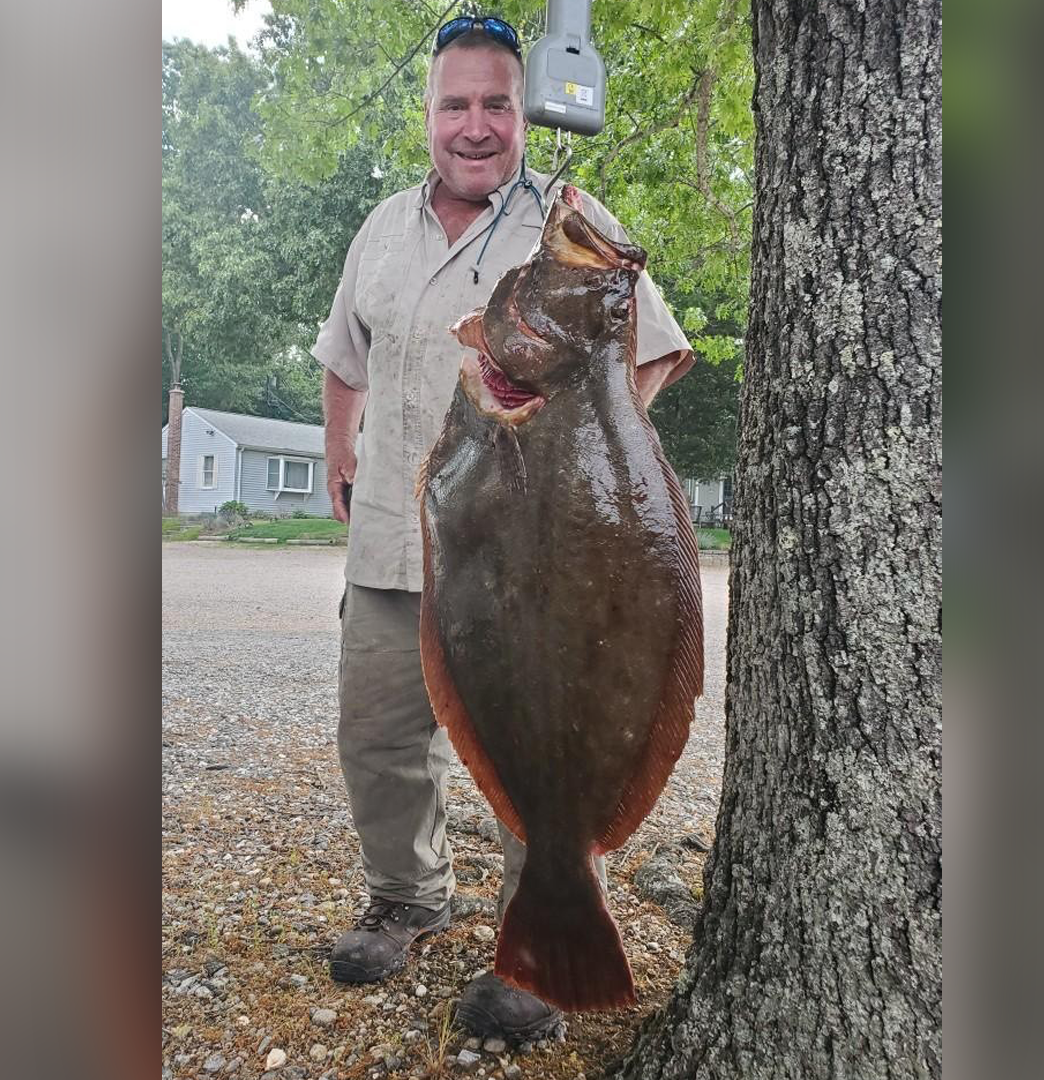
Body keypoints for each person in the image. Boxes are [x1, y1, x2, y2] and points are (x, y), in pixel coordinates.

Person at [309, 14, 695, 1044]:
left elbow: (650, 352)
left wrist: (586, 468)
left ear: (521, 112)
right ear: (428, 116)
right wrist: (339, 449)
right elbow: (343, 354)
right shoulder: (381, 229)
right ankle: (408, 897)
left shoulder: (570, 220)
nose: (475, 126)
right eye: (455, 105)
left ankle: (540, 945)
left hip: (536, 562)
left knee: (544, 735)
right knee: (381, 736)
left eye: (495, 104)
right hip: (396, 533)